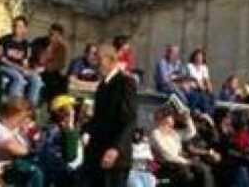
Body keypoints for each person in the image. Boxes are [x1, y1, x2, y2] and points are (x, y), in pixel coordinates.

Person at [82, 45, 137, 187]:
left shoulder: (125, 83)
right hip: (96, 155)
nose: (95, 63)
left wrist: (116, 148)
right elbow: (98, 118)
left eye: (99, 59)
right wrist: (86, 132)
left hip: (115, 157)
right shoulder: (102, 86)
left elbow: (129, 120)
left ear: (111, 60)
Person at [0, 97, 44, 187]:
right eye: (23, 117)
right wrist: (25, 140)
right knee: (34, 171)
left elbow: (28, 147)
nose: (25, 120)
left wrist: (25, 134)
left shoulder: (12, 129)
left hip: (9, 169)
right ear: (13, 115)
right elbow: (17, 149)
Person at [150, 107, 214, 187]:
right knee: (188, 175)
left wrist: (187, 118)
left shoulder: (173, 133)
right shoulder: (156, 134)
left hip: (179, 163)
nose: (173, 121)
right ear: (162, 121)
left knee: (204, 169)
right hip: (166, 165)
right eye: (170, 119)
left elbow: (191, 132)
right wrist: (186, 162)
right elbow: (168, 155)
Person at [0, 16, 43, 108]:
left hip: (19, 68)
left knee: (36, 79)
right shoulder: (4, 40)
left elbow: (25, 62)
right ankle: (14, 106)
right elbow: (1, 59)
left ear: (25, 29)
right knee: (18, 78)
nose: (16, 29)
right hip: (4, 67)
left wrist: (31, 70)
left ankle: (30, 107)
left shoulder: (26, 44)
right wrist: (19, 68)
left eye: (19, 26)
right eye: (14, 26)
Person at [39, 95, 83, 187]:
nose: (75, 112)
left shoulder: (47, 128)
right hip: (61, 176)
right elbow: (71, 156)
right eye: (72, 110)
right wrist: (70, 128)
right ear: (63, 114)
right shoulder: (60, 132)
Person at [31, 23, 68, 104]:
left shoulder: (61, 48)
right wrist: (48, 47)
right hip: (36, 68)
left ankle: (58, 103)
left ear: (59, 37)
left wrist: (46, 68)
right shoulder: (39, 42)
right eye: (51, 34)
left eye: (56, 36)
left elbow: (60, 64)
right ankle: (44, 101)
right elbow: (39, 59)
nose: (52, 37)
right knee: (48, 80)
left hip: (50, 71)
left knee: (63, 80)